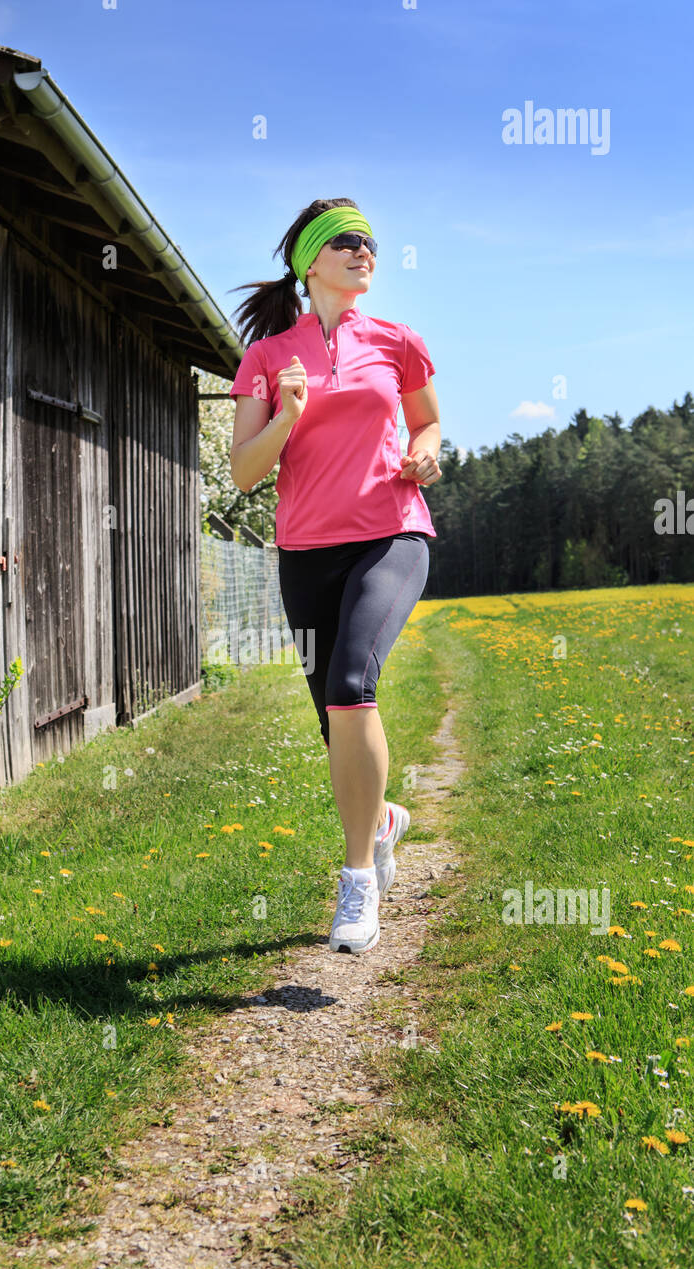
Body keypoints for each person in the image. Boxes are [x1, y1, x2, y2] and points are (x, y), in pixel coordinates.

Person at [228, 198, 442, 956]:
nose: (365, 252)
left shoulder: (396, 341)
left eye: (372, 244)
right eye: (348, 243)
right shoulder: (265, 360)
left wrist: (428, 452)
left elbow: (427, 420)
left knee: (352, 686)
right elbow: (246, 472)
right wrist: (286, 415)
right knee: (333, 719)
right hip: (307, 550)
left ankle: (357, 882)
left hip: (392, 532)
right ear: (310, 261)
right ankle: (381, 819)